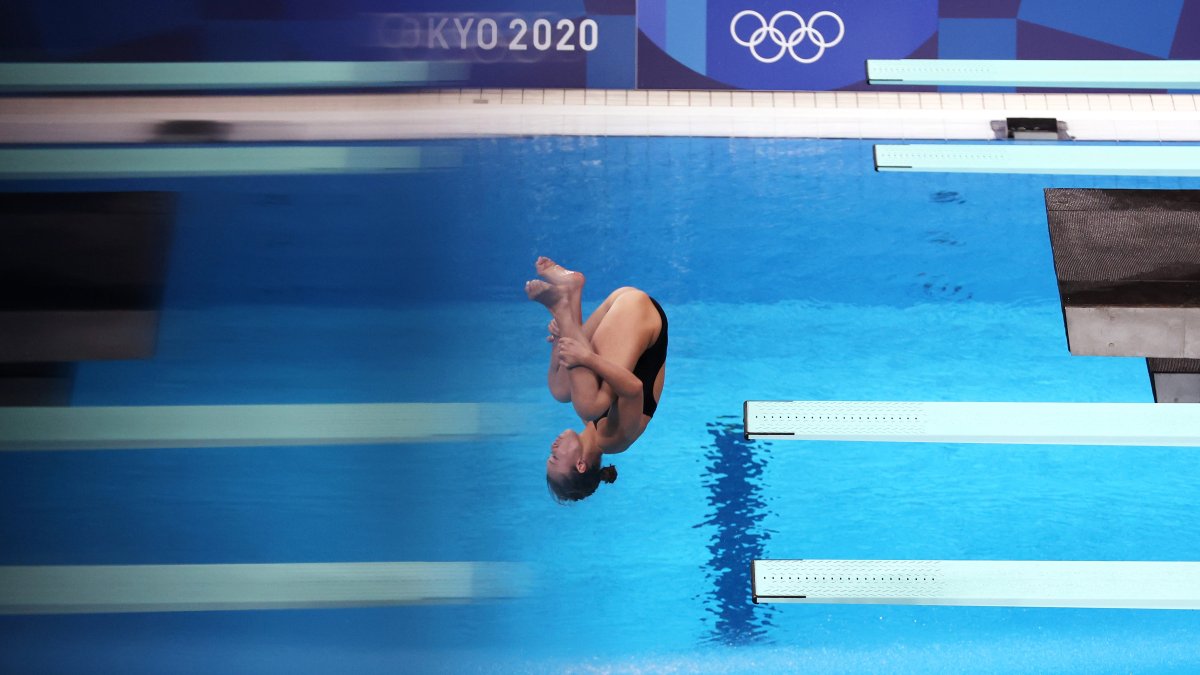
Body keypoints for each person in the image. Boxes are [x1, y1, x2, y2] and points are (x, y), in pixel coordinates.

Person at [525, 257, 667, 502]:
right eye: (555, 458)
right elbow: (634, 388)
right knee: (589, 404)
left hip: (621, 304)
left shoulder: (588, 419)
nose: (552, 448)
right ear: (581, 465)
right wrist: (587, 358)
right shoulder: (613, 440)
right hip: (640, 311)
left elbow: (579, 364)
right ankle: (562, 307)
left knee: (560, 390)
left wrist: (563, 337)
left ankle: (572, 290)